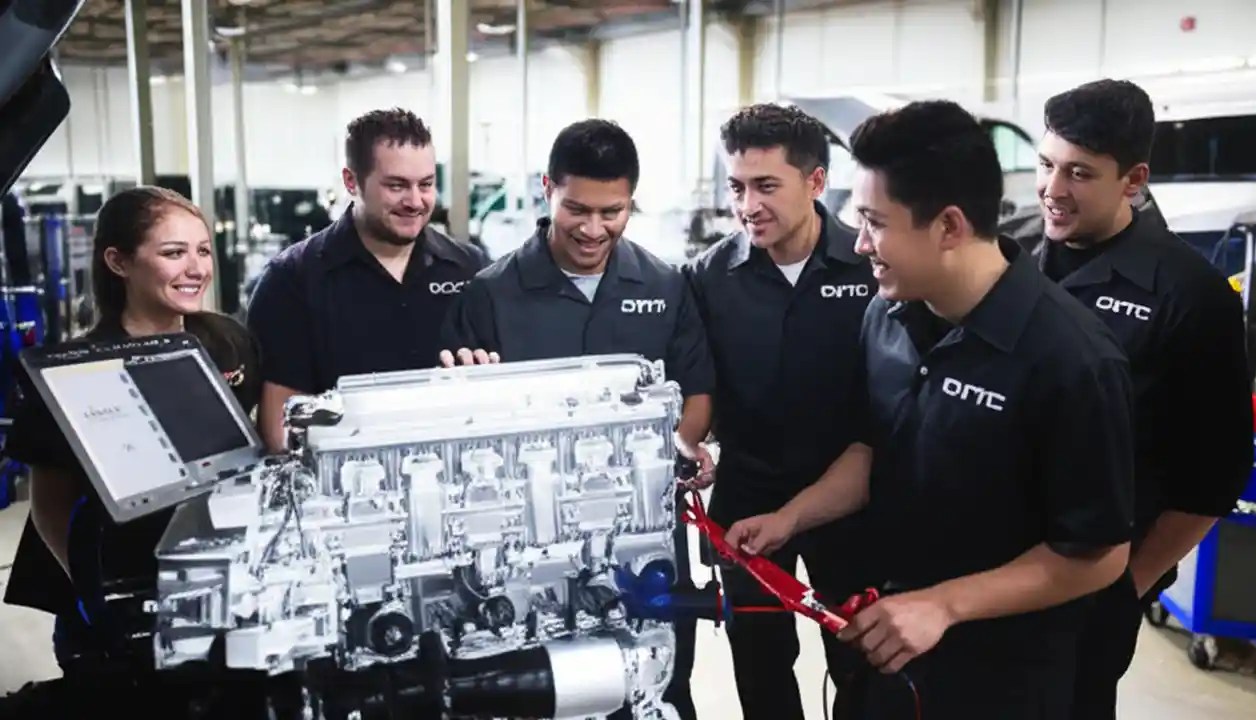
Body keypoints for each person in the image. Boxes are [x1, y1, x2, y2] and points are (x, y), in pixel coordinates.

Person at [723, 100, 1136, 719]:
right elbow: (873, 448)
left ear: (948, 226)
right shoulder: (884, 316)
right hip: (886, 653)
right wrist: (791, 517)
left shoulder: (1072, 360)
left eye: (874, 222)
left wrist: (944, 604)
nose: (860, 244)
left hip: (1000, 681)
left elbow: (1098, 554)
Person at [436, 118, 714, 720]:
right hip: (529, 548)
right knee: (544, 691)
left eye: (612, 211)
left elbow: (696, 392)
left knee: (660, 682)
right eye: (577, 209)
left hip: (643, 535)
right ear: (547, 190)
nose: (593, 229)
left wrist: (679, 448)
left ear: (632, 202)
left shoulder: (665, 285)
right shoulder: (490, 293)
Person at [1019, 79, 1254, 720]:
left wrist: (1128, 584)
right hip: (994, 575)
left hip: (1094, 591)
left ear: (1133, 179)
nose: (1052, 189)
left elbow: (1213, 476)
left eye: (1079, 174)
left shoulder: (1191, 295)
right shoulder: (1011, 263)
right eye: (1045, 165)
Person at [1, 187, 262, 689]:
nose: (196, 268)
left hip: (216, 589)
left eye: (203, 250)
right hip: (117, 596)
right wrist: (98, 598)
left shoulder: (229, 341)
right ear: (119, 262)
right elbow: (49, 506)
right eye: (172, 252)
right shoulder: (71, 370)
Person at [683, 103, 877, 720]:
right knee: (760, 660)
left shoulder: (872, 268)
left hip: (854, 498)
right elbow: (698, 394)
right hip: (747, 496)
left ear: (816, 182)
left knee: (860, 659)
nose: (748, 205)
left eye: (767, 186)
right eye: (737, 187)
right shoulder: (707, 279)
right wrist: (690, 443)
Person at [247, 108, 487, 452]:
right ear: (351, 182)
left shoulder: (468, 268)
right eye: (396, 186)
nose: (416, 201)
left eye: (426, 184)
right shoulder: (292, 281)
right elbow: (279, 431)